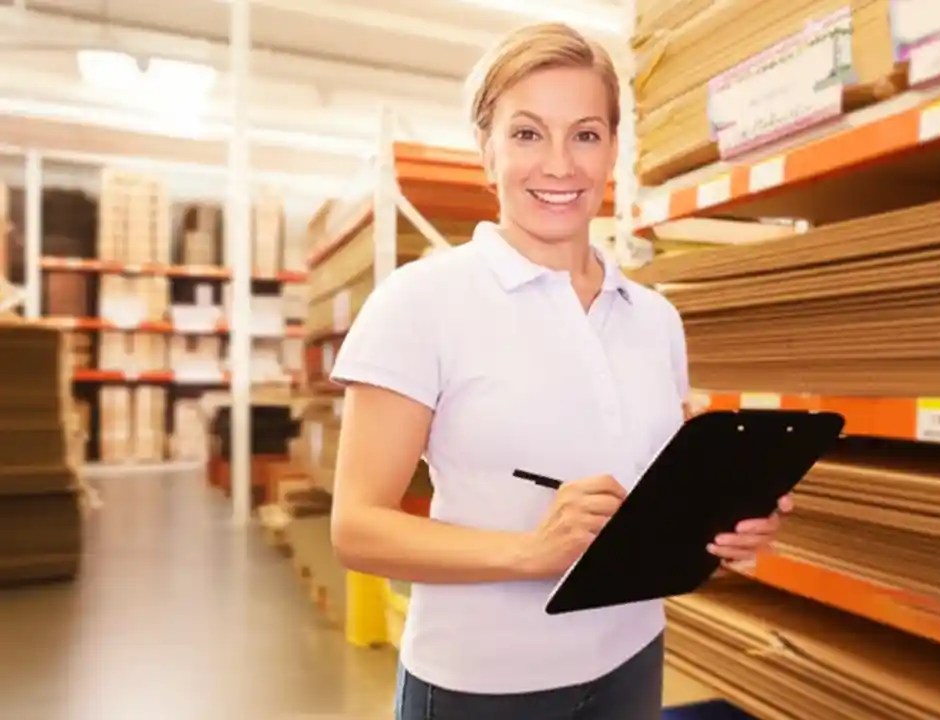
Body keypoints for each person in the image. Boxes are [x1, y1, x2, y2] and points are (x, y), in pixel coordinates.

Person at [328, 22, 792, 720]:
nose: (559, 164)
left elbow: (645, 497)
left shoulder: (653, 317)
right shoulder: (420, 303)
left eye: (585, 134)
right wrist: (529, 552)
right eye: (526, 134)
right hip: (481, 684)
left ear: (611, 150)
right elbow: (356, 528)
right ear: (485, 151)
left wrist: (722, 527)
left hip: (631, 657)